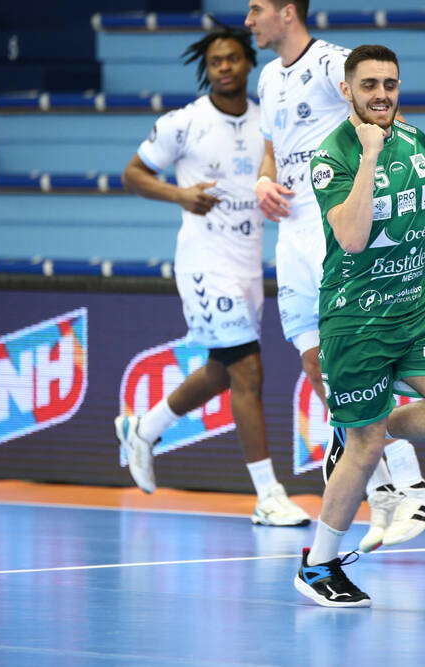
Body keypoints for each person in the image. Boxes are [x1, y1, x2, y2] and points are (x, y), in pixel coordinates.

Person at [294, 44, 425, 607]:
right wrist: (368, 156)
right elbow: (353, 236)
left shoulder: (415, 139)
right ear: (347, 91)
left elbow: (417, 215)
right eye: (370, 86)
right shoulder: (330, 156)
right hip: (357, 322)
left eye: (390, 84)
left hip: (415, 310)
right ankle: (318, 564)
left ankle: (374, 429)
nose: (381, 95)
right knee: (362, 452)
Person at [245, 0, 425, 551]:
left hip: (333, 228)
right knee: (315, 365)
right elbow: (271, 150)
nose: (248, 19)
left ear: (287, 11)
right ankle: (385, 491)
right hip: (291, 235)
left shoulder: (335, 62)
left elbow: (383, 113)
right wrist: (264, 181)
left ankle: (411, 483)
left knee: (354, 358)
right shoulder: (268, 76)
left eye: (256, 7)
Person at [114, 25, 310, 527]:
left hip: (248, 263)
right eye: (216, 60)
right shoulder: (185, 123)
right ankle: (268, 495)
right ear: (208, 68)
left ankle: (145, 427)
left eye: (232, 58)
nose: (224, 66)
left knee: (223, 370)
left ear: (248, 63)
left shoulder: (268, 120)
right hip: (204, 264)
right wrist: (180, 195)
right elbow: (133, 174)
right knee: (248, 371)